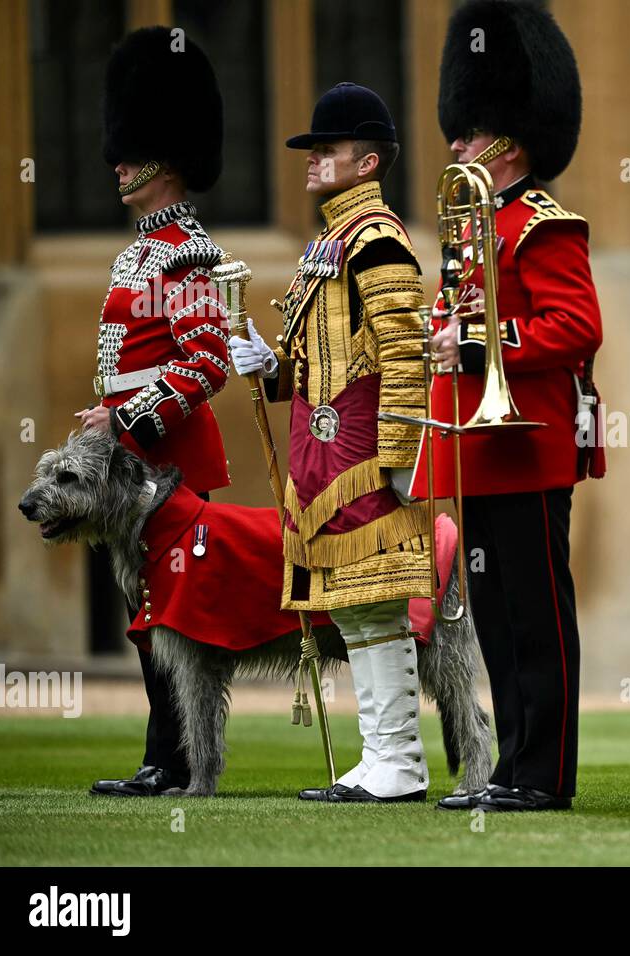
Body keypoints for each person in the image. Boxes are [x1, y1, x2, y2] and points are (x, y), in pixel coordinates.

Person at [229, 82, 432, 804]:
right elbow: (325, 355)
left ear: (368, 162)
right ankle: (381, 757)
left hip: (362, 453)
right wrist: (272, 366)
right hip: (325, 452)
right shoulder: (331, 240)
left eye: (329, 148)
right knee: (353, 609)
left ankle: (401, 760)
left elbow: (405, 351)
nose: (314, 159)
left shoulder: (376, 240)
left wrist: (402, 454)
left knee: (377, 605)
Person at [425, 0, 603, 814]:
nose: (456, 143)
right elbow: (453, 325)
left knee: (536, 616)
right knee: (493, 620)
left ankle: (546, 772)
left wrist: (478, 345)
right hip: (477, 445)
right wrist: (444, 345)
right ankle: (511, 768)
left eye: (470, 130)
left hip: (527, 444)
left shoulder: (543, 227)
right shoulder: (471, 230)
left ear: (509, 135)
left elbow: (574, 327)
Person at [85, 26, 230, 799]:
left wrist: (124, 418)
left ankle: (175, 760)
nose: (117, 160)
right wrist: (106, 408)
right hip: (135, 460)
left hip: (168, 463)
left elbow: (206, 362)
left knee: (166, 618)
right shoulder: (138, 251)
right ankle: (164, 757)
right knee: (146, 616)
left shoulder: (185, 250)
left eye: (130, 149)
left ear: (164, 159)